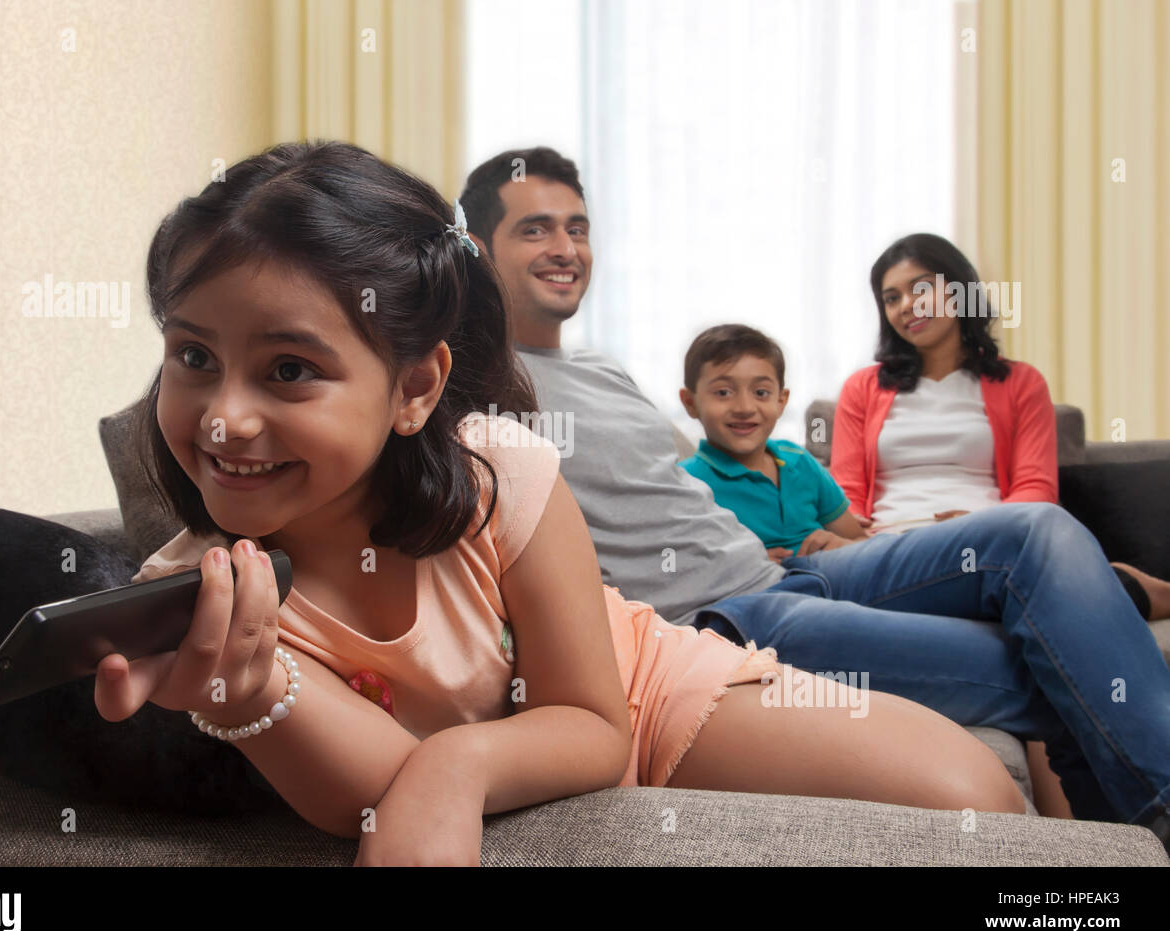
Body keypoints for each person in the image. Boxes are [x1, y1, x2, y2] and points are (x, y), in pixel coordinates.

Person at [84, 139, 1042, 866]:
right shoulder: (208, 600)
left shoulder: (501, 472)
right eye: (193, 357)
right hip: (540, 741)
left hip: (645, 692)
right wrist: (256, 697)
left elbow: (592, 722)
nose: (224, 419)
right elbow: (372, 798)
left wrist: (461, 761)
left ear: (416, 388)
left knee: (975, 800)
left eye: (289, 369)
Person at [458, 145, 1170, 845]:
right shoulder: (471, 383)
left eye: (576, 228)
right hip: (721, 622)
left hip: (792, 572)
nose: (565, 247)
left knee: (1036, 530)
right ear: (479, 248)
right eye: (535, 229)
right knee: (1043, 658)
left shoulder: (603, 371)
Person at [832, 232, 1170, 622]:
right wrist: (849, 536)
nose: (907, 305)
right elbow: (846, 494)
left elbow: (1036, 489)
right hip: (891, 546)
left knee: (1026, 552)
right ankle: (1118, 587)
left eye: (921, 288)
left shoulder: (1021, 383)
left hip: (991, 541)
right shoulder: (862, 388)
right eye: (892, 298)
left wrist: (983, 526)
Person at [676, 323, 869, 563]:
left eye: (761, 393)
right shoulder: (686, 484)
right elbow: (674, 570)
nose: (745, 408)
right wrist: (741, 567)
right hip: (761, 593)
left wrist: (843, 546)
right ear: (690, 402)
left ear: (781, 400)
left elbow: (861, 542)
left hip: (837, 576)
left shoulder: (799, 461)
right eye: (723, 392)